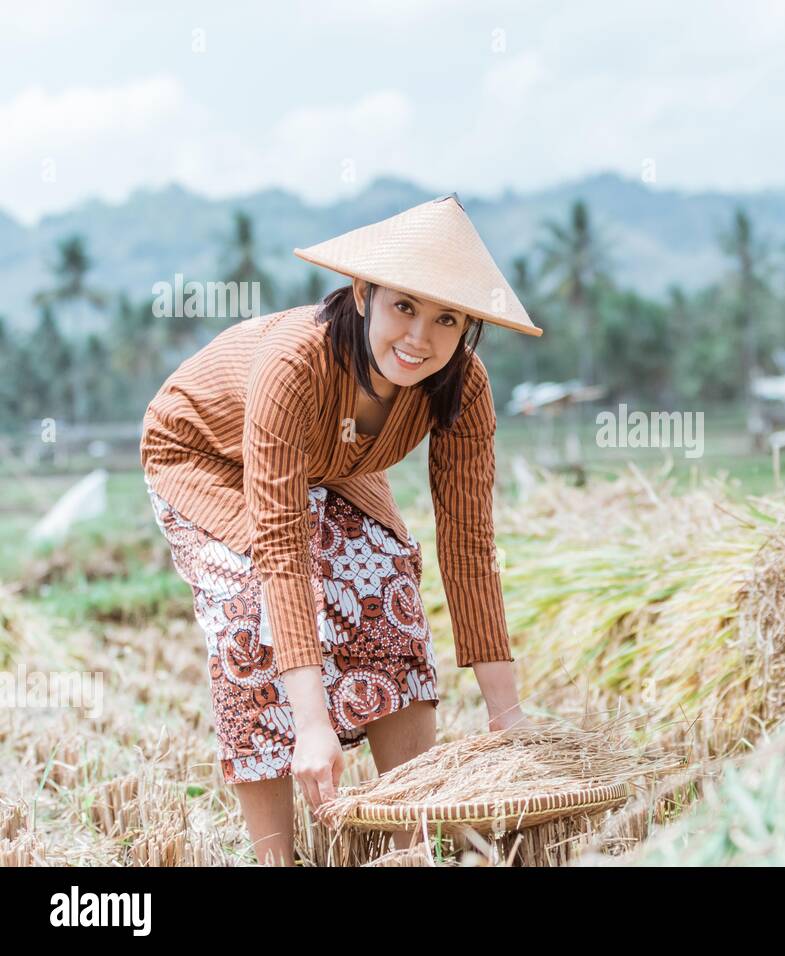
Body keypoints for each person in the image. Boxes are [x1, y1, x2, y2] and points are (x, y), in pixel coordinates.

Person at [139, 194, 544, 864]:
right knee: (250, 611)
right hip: (206, 454)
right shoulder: (296, 365)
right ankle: (278, 856)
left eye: (446, 318)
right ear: (362, 293)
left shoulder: (462, 387)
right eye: (404, 306)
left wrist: (508, 718)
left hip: (330, 460)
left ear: (468, 325)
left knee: (386, 579)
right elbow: (280, 548)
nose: (419, 338)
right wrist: (312, 724)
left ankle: (407, 832)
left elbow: (469, 545)